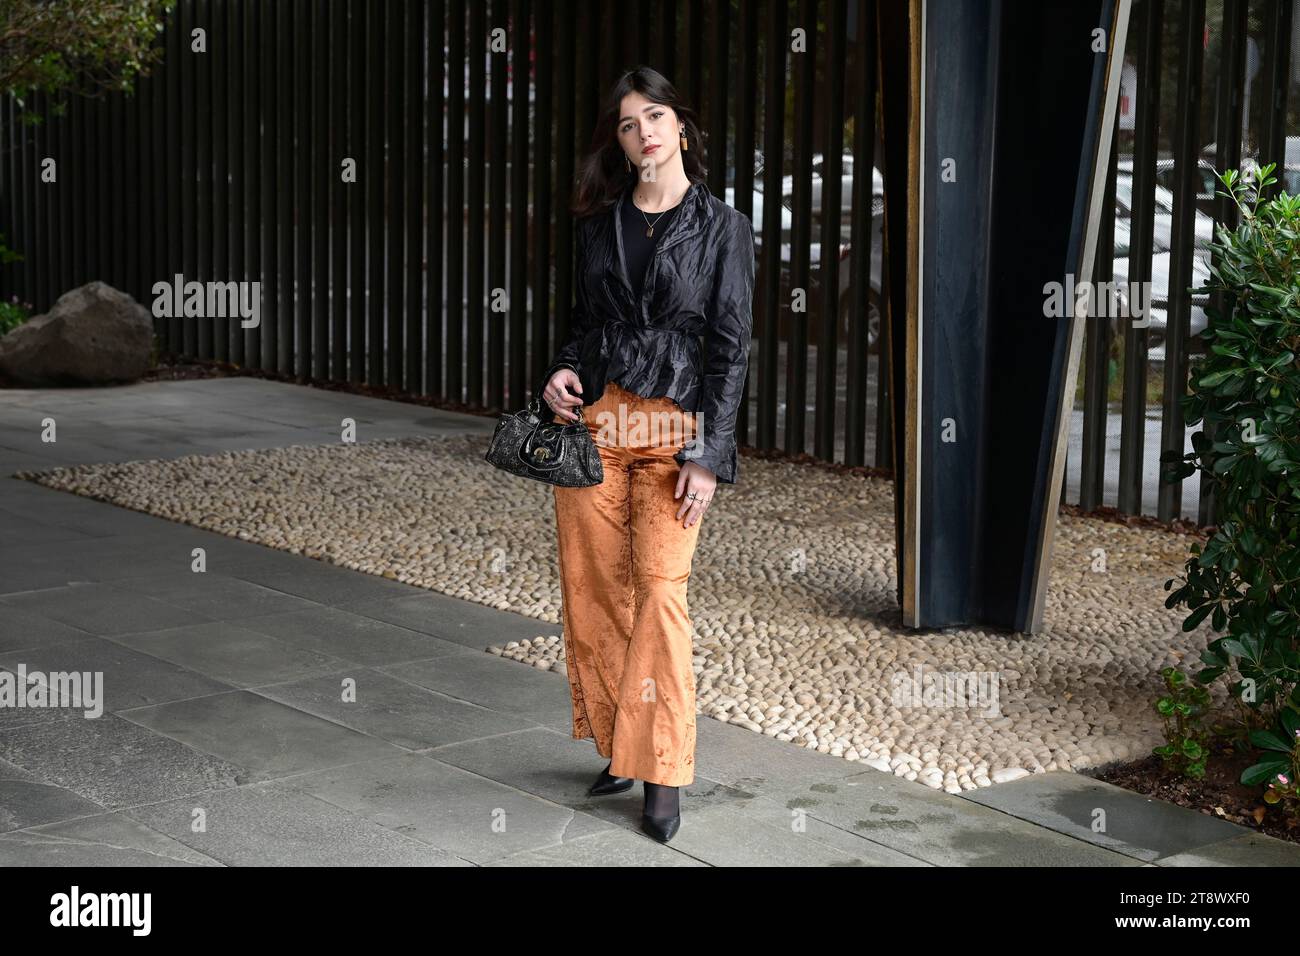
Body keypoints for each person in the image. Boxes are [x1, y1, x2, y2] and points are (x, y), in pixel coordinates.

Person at [540, 65, 755, 844]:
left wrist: (710, 453)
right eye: (629, 124)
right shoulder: (599, 226)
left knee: (662, 592)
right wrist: (563, 371)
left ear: (682, 127)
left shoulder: (724, 227)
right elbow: (580, 324)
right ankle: (621, 746)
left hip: (674, 434)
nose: (644, 133)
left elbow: (731, 347)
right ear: (622, 142)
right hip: (599, 425)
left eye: (655, 116)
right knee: (597, 591)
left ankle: (661, 767)